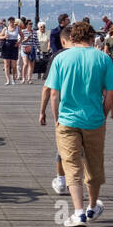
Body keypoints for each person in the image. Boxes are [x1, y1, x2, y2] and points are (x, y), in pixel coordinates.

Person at [44, 21, 113, 227]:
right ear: (91, 37)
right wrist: (104, 113)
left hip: (67, 118)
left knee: (71, 164)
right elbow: (111, 93)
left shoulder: (61, 58)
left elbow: (53, 93)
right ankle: (92, 206)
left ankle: (78, 212)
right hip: (94, 119)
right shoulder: (103, 59)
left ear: (73, 37)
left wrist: (56, 117)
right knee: (94, 164)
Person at [39, 27, 74, 195]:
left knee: (63, 147)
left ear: (63, 41)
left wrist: (44, 112)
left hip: (65, 111)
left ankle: (61, 181)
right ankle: (80, 183)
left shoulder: (58, 58)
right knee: (85, 152)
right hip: (91, 113)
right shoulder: (95, 56)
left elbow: (50, 90)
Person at [0, 18, 20, 85]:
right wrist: (5, 36)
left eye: (12, 21)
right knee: (7, 64)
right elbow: (0, 37)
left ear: (14, 22)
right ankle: (8, 80)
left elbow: (22, 36)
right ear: (8, 22)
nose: (11, 22)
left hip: (14, 45)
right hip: (6, 46)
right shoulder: (5, 29)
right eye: (10, 21)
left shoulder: (17, 28)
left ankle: (14, 79)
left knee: (14, 65)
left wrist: (18, 42)